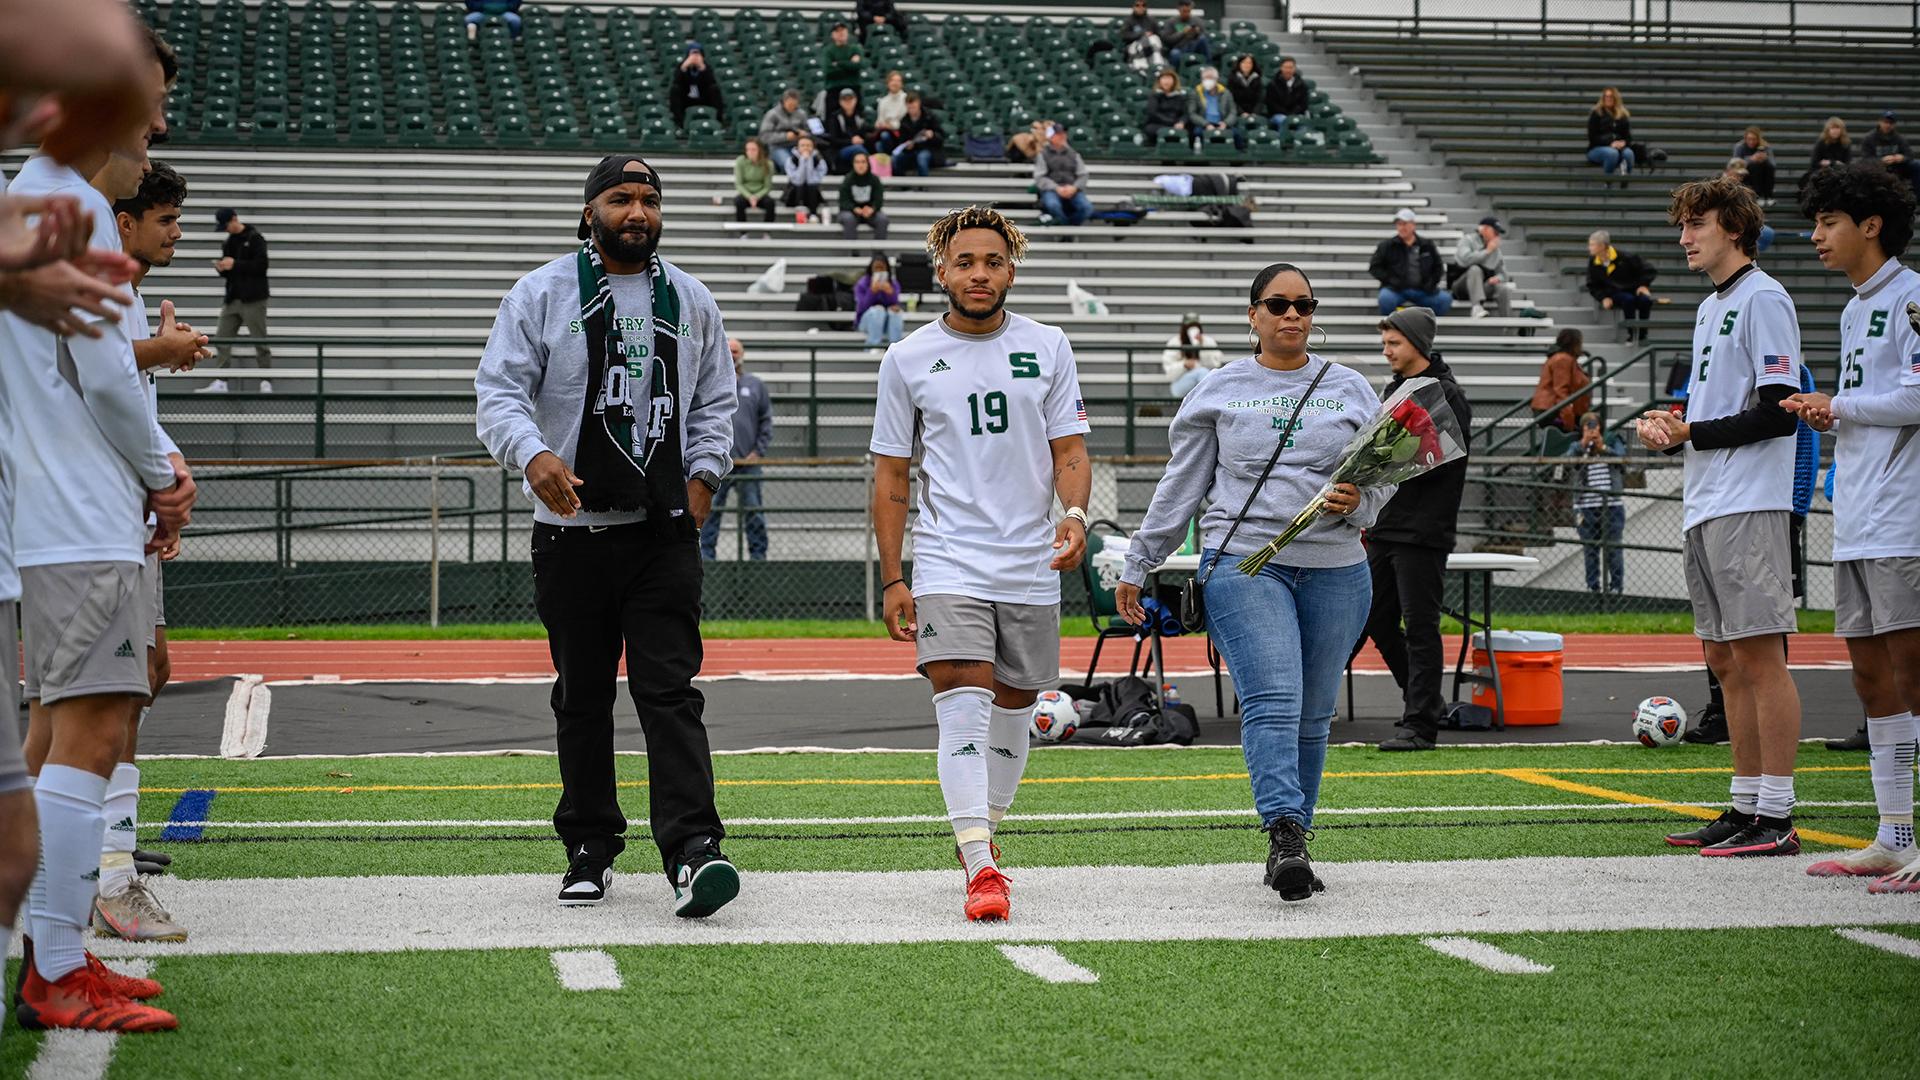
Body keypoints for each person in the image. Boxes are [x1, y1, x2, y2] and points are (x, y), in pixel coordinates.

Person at [473, 156, 741, 915]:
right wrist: (534, 456)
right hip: (572, 534)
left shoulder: (689, 297)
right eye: (621, 198)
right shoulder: (542, 291)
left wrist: (704, 476)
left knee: (670, 695)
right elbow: (497, 392)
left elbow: (716, 398)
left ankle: (695, 850)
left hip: (663, 535)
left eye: (650, 199)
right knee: (583, 699)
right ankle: (589, 847)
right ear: (589, 209)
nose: (638, 211)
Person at [4, 17, 193, 1032]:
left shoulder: (44, 201)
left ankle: (52, 950)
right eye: (143, 99)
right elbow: (106, 379)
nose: (157, 121)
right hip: (75, 515)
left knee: (54, 738)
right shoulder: (62, 205)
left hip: (57, 510)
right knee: (91, 731)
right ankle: (57, 966)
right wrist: (162, 473)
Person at [1116, 263, 1388, 899]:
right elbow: (1182, 484)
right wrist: (1140, 560)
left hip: (1339, 568)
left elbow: (1382, 475)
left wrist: (1361, 504)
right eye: (1278, 304)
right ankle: (1286, 834)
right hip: (1244, 562)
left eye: (1304, 304)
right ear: (1253, 315)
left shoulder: (1350, 387)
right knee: (1272, 698)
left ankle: (1296, 840)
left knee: (1315, 714)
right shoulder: (1218, 387)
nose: (1293, 315)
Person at [869, 206, 1091, 922]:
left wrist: (1076, 514)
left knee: (1016, 708)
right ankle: (981, 865)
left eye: (992, 261)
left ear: (1011, 269)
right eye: (965, 262)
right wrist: (895, 576)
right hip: (947, 560)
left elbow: (1071, 454)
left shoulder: (1050, 345)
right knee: (962, 705)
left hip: (1030, 563)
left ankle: (981, 831)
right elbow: (892, 477)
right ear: (941, 270)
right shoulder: (906, 358)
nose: (979, 273)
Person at [1636, 176, 1804, 857]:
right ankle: (1745, 804)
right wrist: (1676, 427)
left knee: (1760, 657)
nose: (1684, 238)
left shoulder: (1765, 296)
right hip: (1707, 498)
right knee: (1724, 661)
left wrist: (1690, 434)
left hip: (1748, 501)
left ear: (1733, 227)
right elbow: (1718, 411)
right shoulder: (1714, 306)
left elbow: (1778, 409)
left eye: (1694, 225)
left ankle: (1778, 815)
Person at [1780, 160, 1920, 889]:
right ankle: (1894, 836)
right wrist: (1835, 420)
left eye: (1828, 222)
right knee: (1871, 679)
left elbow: (1918, 398)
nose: (1816, 236)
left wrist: (1837, 406)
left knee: (1913, 673)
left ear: (1870, 225)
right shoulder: (1853, 306)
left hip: (1906, 517)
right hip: (1861, 514)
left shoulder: (1913, 297)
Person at [97, 158, 206, 944]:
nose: (176, 232)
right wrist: (157, 476)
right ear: (126, 219)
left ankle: (104, 843)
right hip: (87, 517)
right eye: (165, 219)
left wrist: (169, 469)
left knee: (145, 674)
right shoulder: (90, 275)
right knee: (91, 700)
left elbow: (127, 399)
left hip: (120, 513)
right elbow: (88, 383)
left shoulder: (125, 291)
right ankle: (103, 866)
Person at [1359, 307, 1472, 752]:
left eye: (1394, 343)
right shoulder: (1397, 389)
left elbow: (1441, 459)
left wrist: (1381, 462)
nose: (1386, 351)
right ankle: (1425, 702)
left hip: (1422, 530)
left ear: (1417, 345)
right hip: (1386, 527)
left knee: (1421, 626)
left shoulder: (1446, 394)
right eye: (1385, 343)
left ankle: (1422, 725)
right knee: (1375, 619)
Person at [700, 337, 773, 562]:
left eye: (736, 351)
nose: (732, 355)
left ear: (742, 355)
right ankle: (706, 558)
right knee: (711, 512)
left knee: (753, 511)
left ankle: (758, 557)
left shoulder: (756, 385)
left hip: (748, 465)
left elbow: (766, 422)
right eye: (729, 350)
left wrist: (757, 453)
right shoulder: (713, 383)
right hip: (719, 465)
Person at [198, 206, 269, 393]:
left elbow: (262, 266)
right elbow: (232, 272)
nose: (225, 229)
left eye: (226, 225)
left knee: (259, 340)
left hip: (253, 299)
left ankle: (266, 380)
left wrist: (235, 264)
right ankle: (221, 380)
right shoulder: (228, 243)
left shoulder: (255, 238)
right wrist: (223, 268)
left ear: (234, 219)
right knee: (222, 338)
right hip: (233, 298)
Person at [1564, 411, 1627, 594]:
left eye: (1595, 425)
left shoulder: (1612, 441)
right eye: (1587, 426)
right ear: (1582, 428)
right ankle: (1593, 588)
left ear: (1601, 426)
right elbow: (1567, 463)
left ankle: (1616, 588)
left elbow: (1623, 462)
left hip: (1611, 505)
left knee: (1614, 548)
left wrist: (1603, 447)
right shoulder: (1576, 446)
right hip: (1585, 505)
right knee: (1590, 549)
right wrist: (1584, 444)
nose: (1592, 429)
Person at [1370, 208, 1452, 315]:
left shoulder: (1427, 245)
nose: (1401, 227)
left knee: (1445, 299)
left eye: (1405, 224)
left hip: (1423, 290)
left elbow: (1438, 267)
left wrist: (1430, 284)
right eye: (1399, 224)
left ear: (1413, 225)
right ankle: (1393, 328)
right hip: (1396, 290)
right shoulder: (1387, 245)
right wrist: (1391, 281)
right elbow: (1375, 267)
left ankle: (1425, 327)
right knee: (1386, 299)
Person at [1586, 230, 1656, 340]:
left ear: (1602, 246)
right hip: (1614, 292)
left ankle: (1643, 334)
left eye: (1592, 245)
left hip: (1633, 288)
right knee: (1628, 299)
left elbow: (1649, 270)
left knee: (1645, 301)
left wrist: (1643, 285)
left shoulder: (1626, 257)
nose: (1589, 248)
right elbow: (1592, 284)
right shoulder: (1594, 262)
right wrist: (1603, 297)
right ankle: (1631, 334)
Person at [1451, 214, 1513, 319]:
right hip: (1461, 286)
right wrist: (1487, 251)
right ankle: (1476, 307)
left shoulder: (1496, 251)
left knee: (1503, 289)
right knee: (1475, 269)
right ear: (1484, 229)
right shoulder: (1467, 240)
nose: (1497, 236)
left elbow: (1503, 274)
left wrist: (1497, 278)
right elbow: (1466, 260)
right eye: (1495, 232)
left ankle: (1509, 326)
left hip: (1483, 287)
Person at [1530, 327, 1591, 432]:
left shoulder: (1564, 359)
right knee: (1590, 432)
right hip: (1553, 411)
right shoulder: (1563, 359)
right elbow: (1561, 390)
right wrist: (1568, 420)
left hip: (1555, 410)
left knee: (1593, 428)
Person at [1033, 124, 1092, 226]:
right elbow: (1040, 177)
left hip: (1072, 189)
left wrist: (1074, 187)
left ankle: (1065, 228)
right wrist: (1057, 188)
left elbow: (1083, 175)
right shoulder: (1043, 154)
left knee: (1087, 208)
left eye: (1063, 134)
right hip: (1051, 190)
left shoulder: (1073, 154)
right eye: (1058, 134)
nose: (1063, 136)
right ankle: (1067, 232)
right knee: (1053, 205)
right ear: (1050, 137)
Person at [1160, 311, 1223, 397]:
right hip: (1180, 384)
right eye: (1189, 327)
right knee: (1202, 372)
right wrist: (1184, 366)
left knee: (1202, 372)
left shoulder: (1208, 341)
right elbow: (1170, 374)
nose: (1192, 329)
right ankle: (1211, 400)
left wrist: (1202, 346)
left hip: (1203, 381)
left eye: (1195, 326)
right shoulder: (1174, 343)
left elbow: (1215, 365)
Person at [1186, 66, 1243, 152]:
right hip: (1204, 124)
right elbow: (1192, 113)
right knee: (1196, 132)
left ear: (1216, 79)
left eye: (1210, 78)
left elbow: (1232, 111)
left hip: (1222, 123)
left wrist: (1226, 123)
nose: (1207, 80)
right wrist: (1206, 124)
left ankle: (1238, 157)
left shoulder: (1225, 93)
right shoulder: (1196, 93)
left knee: (1236, 134)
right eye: (1204, 78)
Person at [669, 41, 723, 129]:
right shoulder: (681, 67)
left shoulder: (706, 67)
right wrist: (684, 67)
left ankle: (718, 122)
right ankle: (679, 123)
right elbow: (676, 82)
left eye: (698, 53)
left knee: (714, 89)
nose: (695, 56)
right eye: (693, 53)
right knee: (675, 89)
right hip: (686, 99)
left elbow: (711, 82)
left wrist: (702, 67)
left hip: (703, 98)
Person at [1860, 110, 1918, 193]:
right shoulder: (1869, 138)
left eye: (1891, 123)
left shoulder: (1899, 138)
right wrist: (1881, 161)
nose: (1888, 125)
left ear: (1894, 125)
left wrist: (1902, 158)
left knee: (1916, 167)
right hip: (1876, 170)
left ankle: (1917, 197)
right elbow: (1865, 159)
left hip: (1897, 169)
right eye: (1885, 122)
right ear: (1880, 122)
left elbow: (1910, 154)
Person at [855, 253, 904, 346]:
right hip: (866, 321)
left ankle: (896, 347)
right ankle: (873, 346)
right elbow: (861, 308)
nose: (879, 271)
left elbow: (895, 304)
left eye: (882, 268)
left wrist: (890, 293)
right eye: (876, 268)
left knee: (895, 312)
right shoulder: (862, 284)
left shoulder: (893, 284)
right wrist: (872, 292)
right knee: (878, 310)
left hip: (887, 322)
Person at [837, 151, 888, 239]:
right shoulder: (848, 179)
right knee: (848, 219)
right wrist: (855, 209)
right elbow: (843, 201)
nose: (860, 165)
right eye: (857, 162)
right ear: (853, 164)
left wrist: (872, 209)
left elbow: (879, 199)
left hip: (870, 212)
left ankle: (878, 251)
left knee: (882, 219)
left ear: (868, 164)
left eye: (863, 162)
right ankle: (853, 251)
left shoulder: (874, 179)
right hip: (851, 211)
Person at [891, 93, 945, 177]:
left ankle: (922, 187)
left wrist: (933, 135)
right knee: (895, 159)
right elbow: (901, 140)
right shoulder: (904, 121)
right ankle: (903, 186)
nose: (911, 110)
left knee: (922, 158)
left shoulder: (930, 117)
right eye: (909, 108)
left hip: (929, 148)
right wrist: (906, 145)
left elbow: (941, 137)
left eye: (913, 107)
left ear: (918, 103)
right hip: (912, 150)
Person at [758, 88, 810, 173]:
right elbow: (764, 136)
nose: (792, 107)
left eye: (795, 105)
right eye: (790, 105)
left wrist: (804, 134)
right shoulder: (772, 114)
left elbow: (809, 132)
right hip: (778, 147)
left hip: (798, 146)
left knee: (809, 161)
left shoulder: (802, 113)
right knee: (788, 163)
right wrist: (785, 136)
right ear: (784, 101)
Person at [1587, 87, 1633, 175]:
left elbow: (1628, 137)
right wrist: (1610, 144)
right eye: (1606, 97)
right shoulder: (1597, 114)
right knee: (1611, 153)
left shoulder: (1623, 115)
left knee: (1629, 153)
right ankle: (1608, 183)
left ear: (1616, 99)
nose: (1608, 99)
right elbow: (1593, 137)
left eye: (1611, 97)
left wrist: (1623, 143)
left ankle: (1625, 181)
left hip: (1618, 148)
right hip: (1597, 148)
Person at [783, 133, 827, 221]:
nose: (805, 148)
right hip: (795, 192)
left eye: (808, 145)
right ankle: (800, 214)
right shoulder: (791, 160)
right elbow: (798, 180)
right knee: (800, 187)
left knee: (812, 188)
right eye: (802, 145)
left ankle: (813, 214)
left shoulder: (819, 161)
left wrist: (809, 161)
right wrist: (803, 161)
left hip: (811, 192)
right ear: (798, 147)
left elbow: (813, 180)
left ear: (813, 147)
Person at [825, 87, 870, 173]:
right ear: (840, 102)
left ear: (855, 100)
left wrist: (862, 140)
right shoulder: (835, 117)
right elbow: (833, 139)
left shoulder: (859, 117)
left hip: (858, 146)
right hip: (839, 151)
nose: (848, 102)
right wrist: (851, 141)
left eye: (850, 99)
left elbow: (864, 134)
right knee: (859, 150)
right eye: (845, 99)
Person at [732, 136, 776, 224]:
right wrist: (749, 196)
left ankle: (766, 233)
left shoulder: (768, 164)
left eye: (753, 149)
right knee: (739, 202)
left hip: (760, 193)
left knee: (770, 203)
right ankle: (743, 233)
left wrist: (757, 196)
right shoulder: (740, 161)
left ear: (759, 150)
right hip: (746, 193)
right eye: (748, 149)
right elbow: (739, 184)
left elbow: (767, 187)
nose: (750, 152)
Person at [821, 22, 863, 108]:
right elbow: (829, 71)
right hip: (834, 89)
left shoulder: (855, 49)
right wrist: (849, 64)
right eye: (837, 31)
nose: (841, 33)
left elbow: (857, 66)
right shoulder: (828, 51)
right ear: (832, 35)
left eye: (843, 30)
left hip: (853, 87)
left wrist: (838, 63)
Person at [1142, 68, 1187, 146]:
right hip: (1159, 124)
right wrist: (1171, 123)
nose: (1166, 81)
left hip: (1176, 124)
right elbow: (1153, 113)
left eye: (1169, 78)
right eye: (1164, 78)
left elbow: (1185, 113)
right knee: (1150, 129)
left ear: (1174, 81)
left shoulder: (1180, 97)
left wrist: (1181, 122)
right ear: (1159, 81)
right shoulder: (1155, 95)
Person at [1161, 1, 1211, 70]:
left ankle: (1209, 67)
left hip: (1193, 46)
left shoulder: (1196, 20)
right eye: (1184, 11)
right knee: (1174, 53)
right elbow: (1167, 40)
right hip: (1179, 47)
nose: (1187, 13)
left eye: (1189, 11)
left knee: (1203, 38)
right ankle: (1175, 74)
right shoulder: (1171, 22)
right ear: (1179, 10)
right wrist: (1182, 33)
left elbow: (1206, 36)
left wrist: (1198, 33)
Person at [1264, 56, 1308, 133]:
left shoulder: (1302, 85)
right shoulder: (1273, 85)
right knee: (1283, 121)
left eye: (1290, 67)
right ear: (1281, 68)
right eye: (1286, 67)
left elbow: (1303, 104)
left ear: (1294, 68)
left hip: (1296, 114)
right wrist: (1286, 114)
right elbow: (1272, 104)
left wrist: (1293, 114)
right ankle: (1283, 142)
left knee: (1302, 123)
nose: (1288, 70)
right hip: (1277, 114)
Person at [1804, 116, 1852, 185]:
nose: (1835, 131)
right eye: (1832, 128)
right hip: (1822, 175)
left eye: (1837, 128)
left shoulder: (1845, 143)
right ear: (1828, 130)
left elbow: (1848, 163)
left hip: (1839, 175)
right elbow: (1814, 162)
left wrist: (1829, 162)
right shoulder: (1821, 143)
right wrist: (1835, 163)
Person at [1732, 126, 1775, 201]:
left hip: (1763, 175)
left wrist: (1766, 159)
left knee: (1766, 166)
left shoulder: (1765, 147)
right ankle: (1757, 195)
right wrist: (1750, 160)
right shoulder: (1740, 147)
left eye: (1754, 139)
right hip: (1746, 175)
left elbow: (1773, 165)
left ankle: (1768, 195)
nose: (1751, 142)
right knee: (1756, 165)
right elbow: (1736, 166)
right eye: (1749, 139)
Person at [872, 69, 907, 150]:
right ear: (888, 83)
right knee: (879, 143)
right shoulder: (883, 101)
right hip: (886, 131)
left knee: (884, 137)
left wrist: (892, 125)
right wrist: (879, 124)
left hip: (900, 132)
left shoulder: (906, 99)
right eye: (893, 81)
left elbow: (906, 121)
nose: (895, 83)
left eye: (898, 81)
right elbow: (880, 119)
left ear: (901, 84)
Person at [1225, 54, 1262, 120]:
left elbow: (1259, 99)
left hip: (1253, 113)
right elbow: (1231, 99)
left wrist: (1254, 113)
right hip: (1236, 113)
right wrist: (1241, 113)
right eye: (1243, 62)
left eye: (1249, 63)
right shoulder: (1232, 79)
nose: (1246, 65)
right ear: (1239, 64)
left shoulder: (1257, 79)